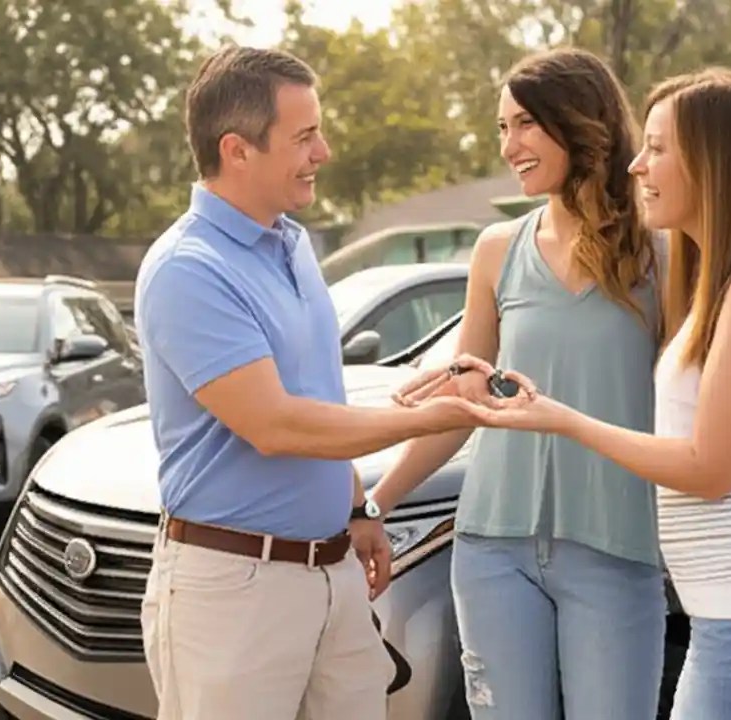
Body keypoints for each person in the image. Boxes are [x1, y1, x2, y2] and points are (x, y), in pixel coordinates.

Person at [370, 49, 731, 720]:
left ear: (578, 122)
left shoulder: (668, 250)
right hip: (493, 548)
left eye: (525, 123)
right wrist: (377, 503)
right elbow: (463, 403)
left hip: (618, 549)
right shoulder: (497, 250)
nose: (510, 146)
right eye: (502, 128)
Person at [132, 45, 486, 720]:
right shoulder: (189, 269)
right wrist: (433, 417)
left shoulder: (291, 244)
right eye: (304, 137)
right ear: (237, 150)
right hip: (235, 593)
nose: (322, 151)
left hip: (334, 576)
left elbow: (315, 399)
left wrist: (357, 507)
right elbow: (277, 425)